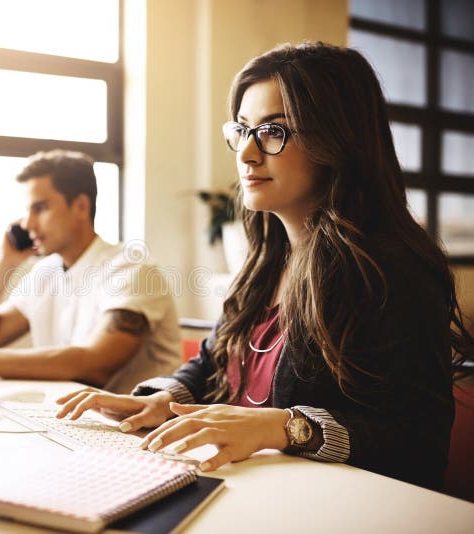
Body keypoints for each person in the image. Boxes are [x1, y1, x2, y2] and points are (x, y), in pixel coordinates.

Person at [56, 42, 474, 490]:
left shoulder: (389, 271)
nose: (247, 154)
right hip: (236, 485)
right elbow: (212, 362)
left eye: (274, 131)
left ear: (336, 139)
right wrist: (161, 400)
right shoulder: (266, 261)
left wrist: (284, 427)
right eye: (243, 130)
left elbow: (418, 442)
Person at [0, 149, 182, 394]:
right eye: (27, 210)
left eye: (40, 208)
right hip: (71, 417)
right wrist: (4, 263)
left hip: (138, 429)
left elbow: (96, 365)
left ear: (81, 207)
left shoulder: (132, 267)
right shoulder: (46, 273)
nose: (28, 224)